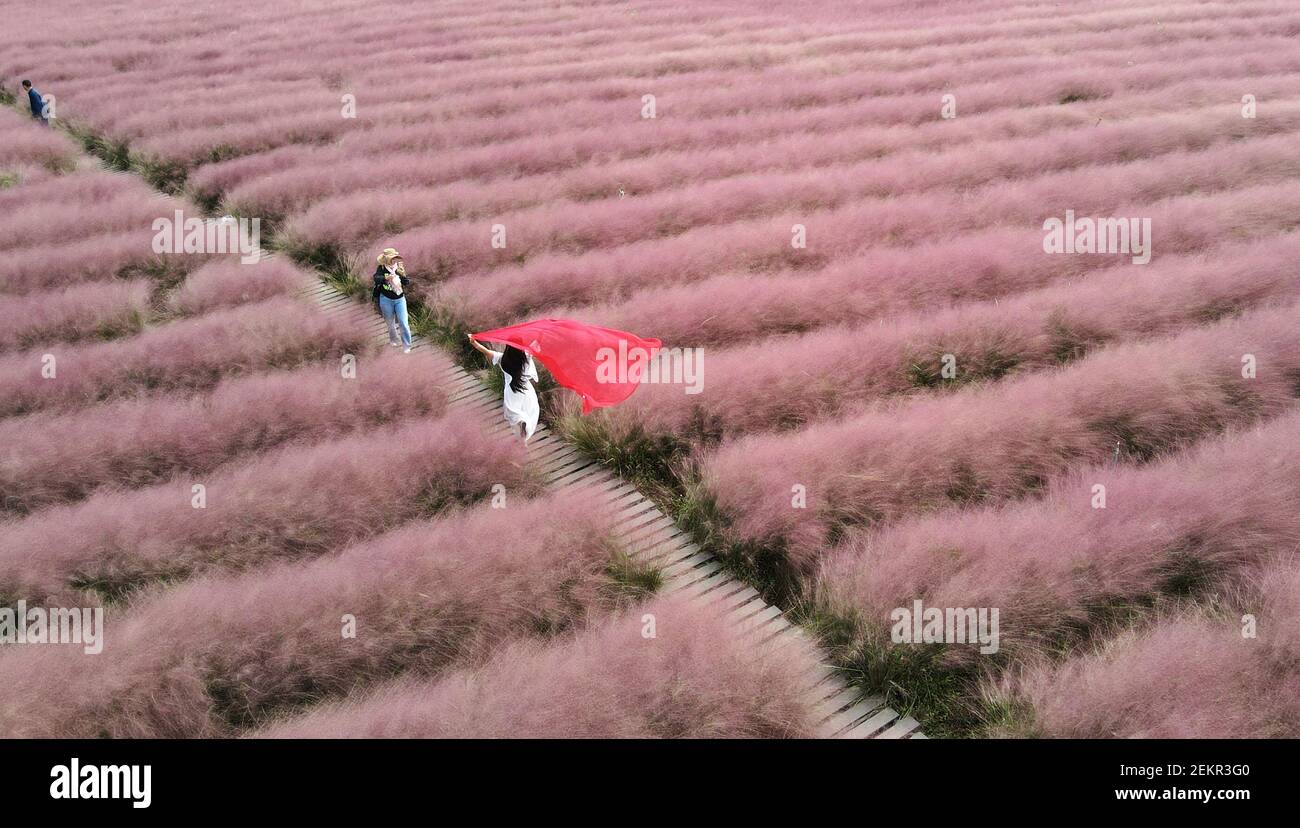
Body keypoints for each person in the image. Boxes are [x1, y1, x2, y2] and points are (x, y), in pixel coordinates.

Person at [468, 335, 540, 443]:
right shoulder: (526, 357)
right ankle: (524, 424)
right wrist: (542, 333)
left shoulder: (503, 359)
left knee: (514, 414)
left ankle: (521, 426)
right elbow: (536, 344)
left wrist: (473, 342)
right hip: (526, 391)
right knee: (530, 410)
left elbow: (486, 351)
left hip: (512, 393)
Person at [372, 247, 412, 353]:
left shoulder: (399, 267)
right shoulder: (381, 268)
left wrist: (406, 280)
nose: (394, 260)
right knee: (390, 323)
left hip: (400, 299)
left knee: (403, 322)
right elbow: (376, 278)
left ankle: (407, 345)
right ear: (386, 259)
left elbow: (405, 280)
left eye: (395, 258)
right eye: (392, 258)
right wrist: (386, 278)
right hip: (385, 299)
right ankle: (394, 340)